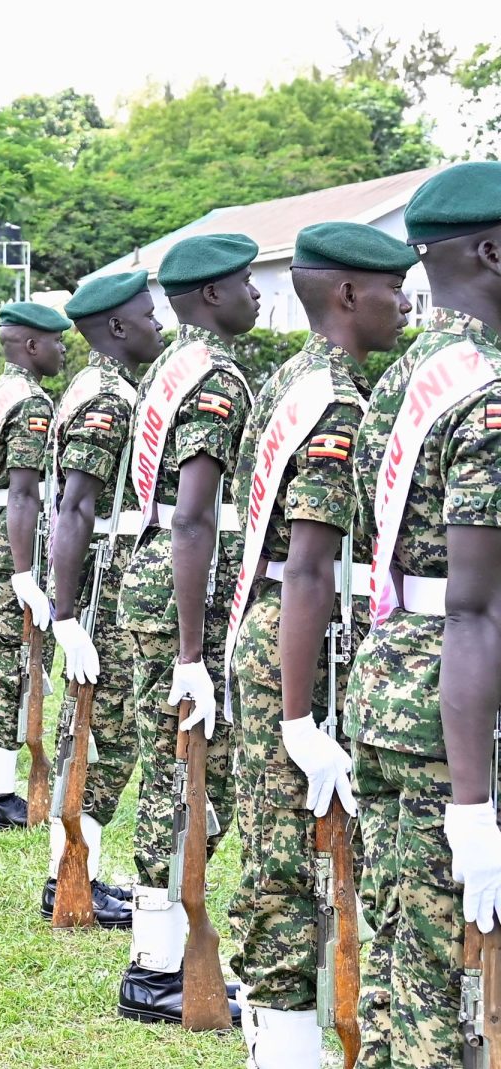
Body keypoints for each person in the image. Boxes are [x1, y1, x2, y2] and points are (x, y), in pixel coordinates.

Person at [222, 223, 414, 1065]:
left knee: (278, 849)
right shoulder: (336, 402)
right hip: (298, 644)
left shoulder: (290, 380)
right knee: (293, 859)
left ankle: (277, 1043)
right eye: (390, 289)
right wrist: (300, 718)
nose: (404, 304)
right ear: (346, 294)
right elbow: (308, 565)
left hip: (273, 631)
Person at [347, 162, 501, 1069]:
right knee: (449, 981)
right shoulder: (485, 396)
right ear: (491, 250)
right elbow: (478, 609)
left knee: (404, 950)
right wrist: (476, 807)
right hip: (456, 711)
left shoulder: (409, 372)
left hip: (391, 682)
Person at [115, 233, 260, 1027]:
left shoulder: (173, 367)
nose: (258, 294)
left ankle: (156, 958)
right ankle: (161, 967)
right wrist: (193, 652)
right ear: (210, 295)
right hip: (185, 601)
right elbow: (195, 517)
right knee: (195, 781)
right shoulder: (215, 379)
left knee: (173, 775)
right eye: (244, 282)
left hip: (157, 591)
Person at [43, 270, 165, 925]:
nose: (158, 325)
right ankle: (72, 875)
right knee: (104, 738)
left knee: (94, 735)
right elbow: (76, 504)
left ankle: (75, 869)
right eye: (148, 315)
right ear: (117, 327)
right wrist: (67, 615)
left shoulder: (97, 386)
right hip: (104, 584)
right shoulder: (109, 398)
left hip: (100, 578)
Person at [0, 303, 68, 828]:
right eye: (55, 342)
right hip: (9, 546)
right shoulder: (30, 404)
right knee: (6, 668)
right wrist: (25, 571)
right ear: (30, 345)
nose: (62, 350)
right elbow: (24, 493)